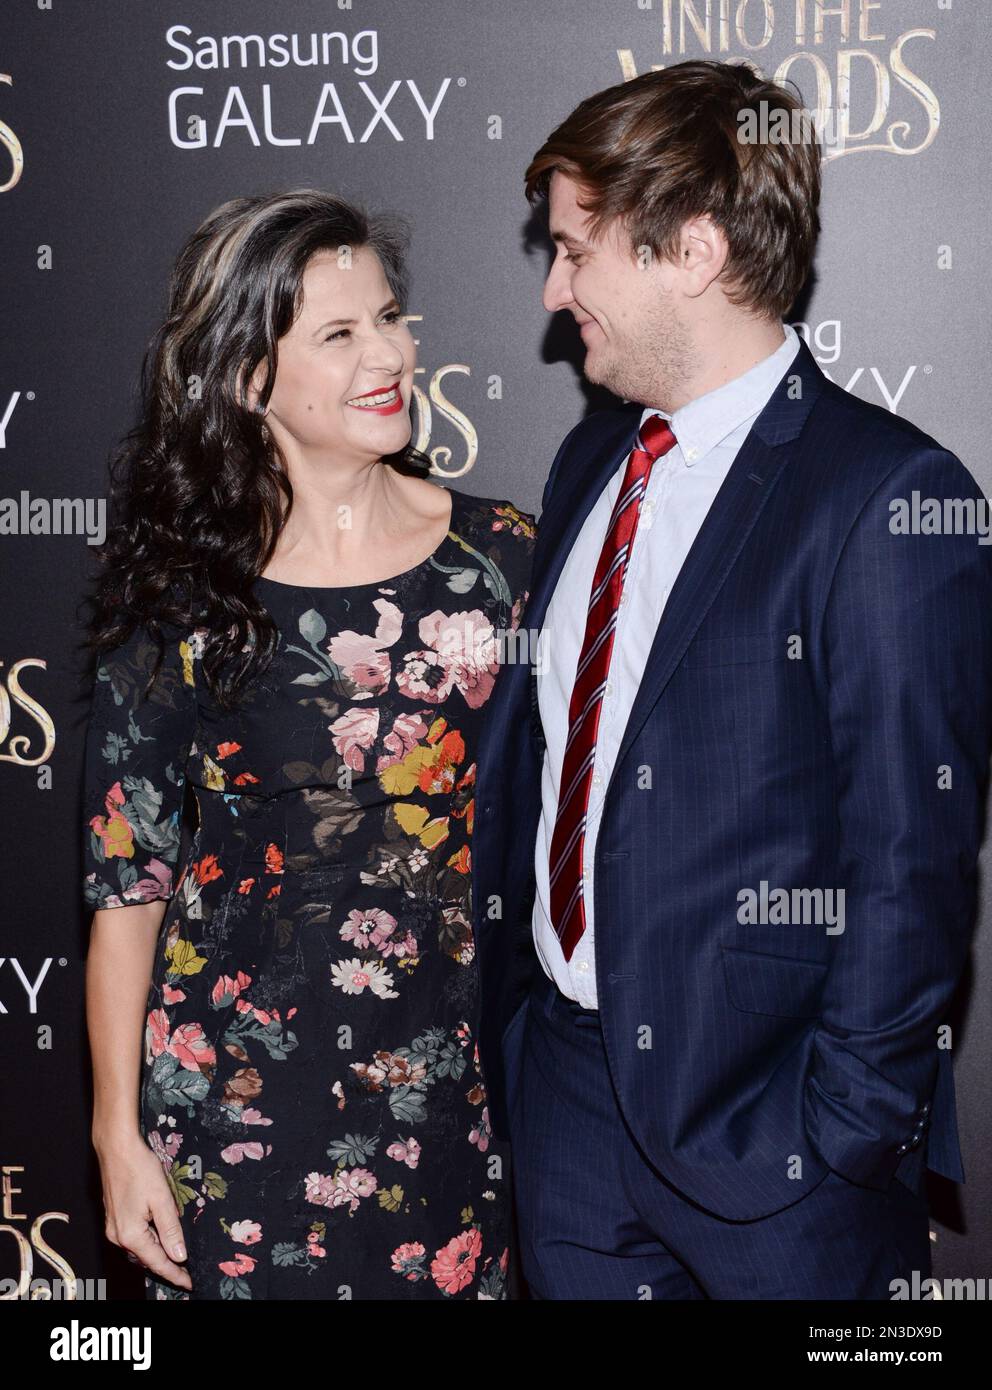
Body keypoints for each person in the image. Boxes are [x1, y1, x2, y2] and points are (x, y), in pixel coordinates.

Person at [472, 61, 992, 1299]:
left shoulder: (887, 501)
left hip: (777, 1159)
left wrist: (834, 1137)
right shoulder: (591, 455)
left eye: (573, 251)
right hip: (566, 1106)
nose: (552, 291)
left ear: (691, 249)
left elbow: (908, 862)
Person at [81, 188, 535, 1300]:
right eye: (338, 334)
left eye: (389, 317)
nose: (387, 353)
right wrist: (115, 1134)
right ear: (246, 376)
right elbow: (128, 889)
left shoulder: (503, 560)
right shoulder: (183, 600)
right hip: (239, 1112)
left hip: (458, 1102)